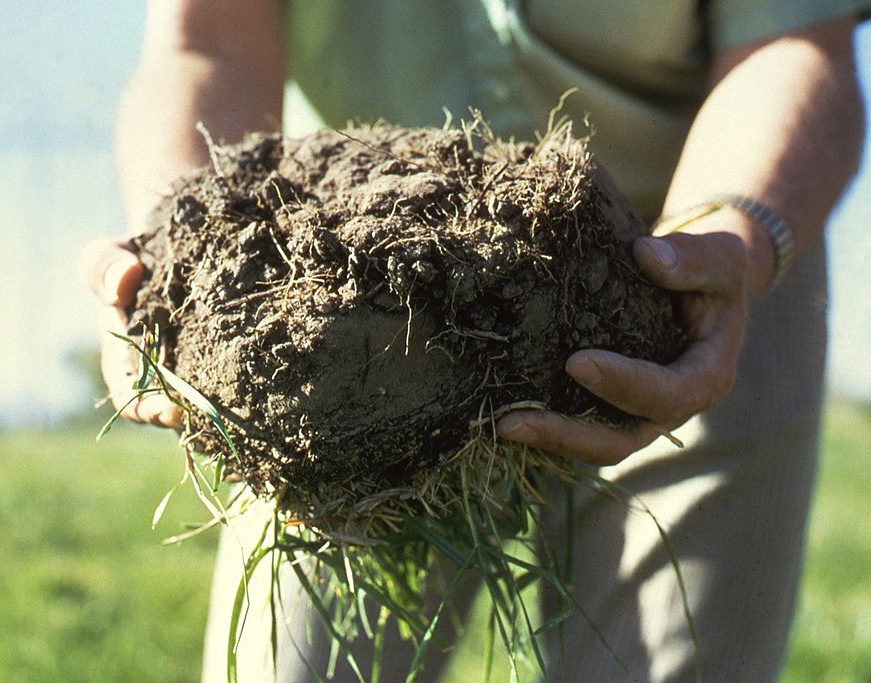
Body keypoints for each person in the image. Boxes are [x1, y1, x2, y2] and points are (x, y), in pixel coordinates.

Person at [80, 1, 867, 680]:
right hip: (344, 302)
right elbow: (205, 41)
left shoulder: (702, 264)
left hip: (685, 267)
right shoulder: (328, 299)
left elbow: (790, 39)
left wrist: (732, 238)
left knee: (670, 653)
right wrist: (181, 246)